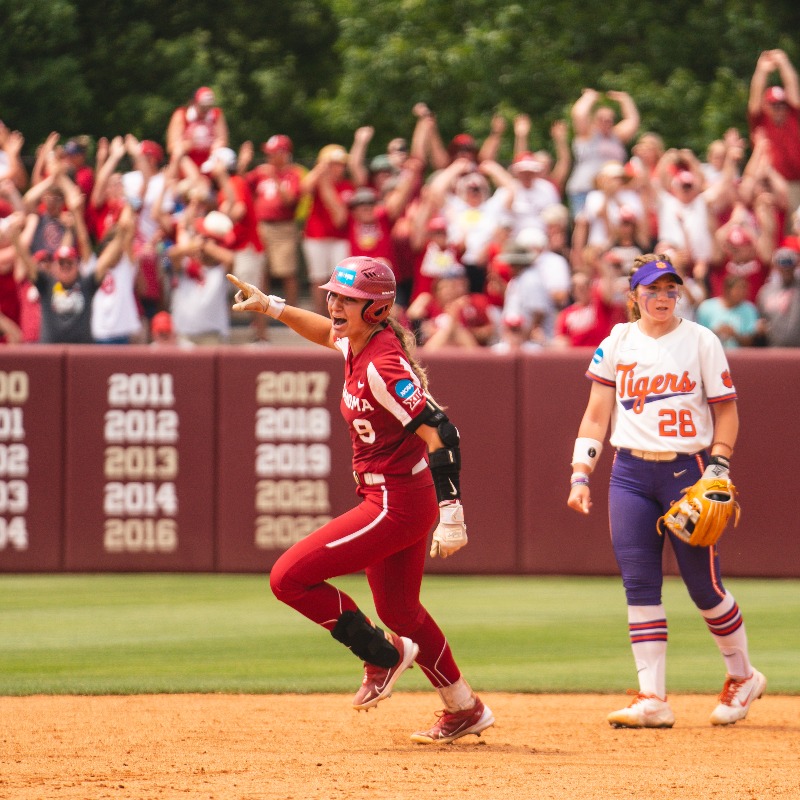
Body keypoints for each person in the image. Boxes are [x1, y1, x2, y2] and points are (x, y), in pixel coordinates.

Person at [226, 256, 494, 744]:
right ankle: (463, 707)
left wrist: (452, 511)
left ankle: (380, 655)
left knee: (288, 578)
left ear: (376, 309)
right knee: (401, 611)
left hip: (395, 500)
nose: (334, 304)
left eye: (347, 299)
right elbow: (325, 333)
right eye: (333, 294)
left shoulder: (382, 366)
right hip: (394, 493)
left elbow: (442, 432)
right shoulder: (360, 340)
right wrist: (273, 307)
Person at [567, 253, 766, 729]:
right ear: (634, 296)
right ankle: (652, 698)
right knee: (639, 586)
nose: (663, 297)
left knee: (704, 587)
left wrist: (718, 465)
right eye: (653, 289)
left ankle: (743, 676)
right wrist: (580, 472)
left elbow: (726, 411)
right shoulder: (617, 341)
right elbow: (596, 414)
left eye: (670, 289)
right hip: (629, 474)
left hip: (686, 472)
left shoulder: (700, 340)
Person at [566, 89, 640, 217]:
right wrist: (589, 98)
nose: (605, 122)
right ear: (594, 120)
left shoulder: (616, 136)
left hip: (612, 190)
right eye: (601, 119)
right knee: (584, 222)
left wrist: (625, 100)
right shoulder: (587, 135)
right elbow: (579, 115)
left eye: (609, 119)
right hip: (586, 188)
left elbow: (632, 121)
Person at [747, 49, 800, 227]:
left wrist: (783, 63)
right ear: (766, 105)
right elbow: (755, 97)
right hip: (774, 185)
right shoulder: (761, 121)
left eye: (781, 104)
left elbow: (792, 86)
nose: (778, 108)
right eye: (774, 104)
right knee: (779, 229)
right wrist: (761, 70)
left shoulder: (793, 117)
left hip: (796, 182)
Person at [166, 87, 229, 170]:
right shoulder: (181, 115)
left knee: (222, 164)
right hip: (187, 160)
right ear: (193, 103)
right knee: (179, 153)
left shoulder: (216, 115)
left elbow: (222, 140)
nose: (206, 110)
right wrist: (191, 143)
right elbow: (172, 147)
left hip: (209, 160)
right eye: (203, 106)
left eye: (208, 106)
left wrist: (216, 146)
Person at [696, 274, 759, 349]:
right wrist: (716, 333)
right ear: (727, 290)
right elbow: (698, 337)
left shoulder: (749, 309)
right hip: (711, 352)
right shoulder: (706, 307)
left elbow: (750, 342)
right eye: (738, 289)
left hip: (739, 355)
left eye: (744, 289)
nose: (742, 293)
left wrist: (734, 335)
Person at [755, 246, 800, 346]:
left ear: (796, 265)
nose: (786, 269)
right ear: (775, 266)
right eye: (782, 265)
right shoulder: (766, 291)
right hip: (774, 348)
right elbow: (761, 318)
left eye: (790, 266)